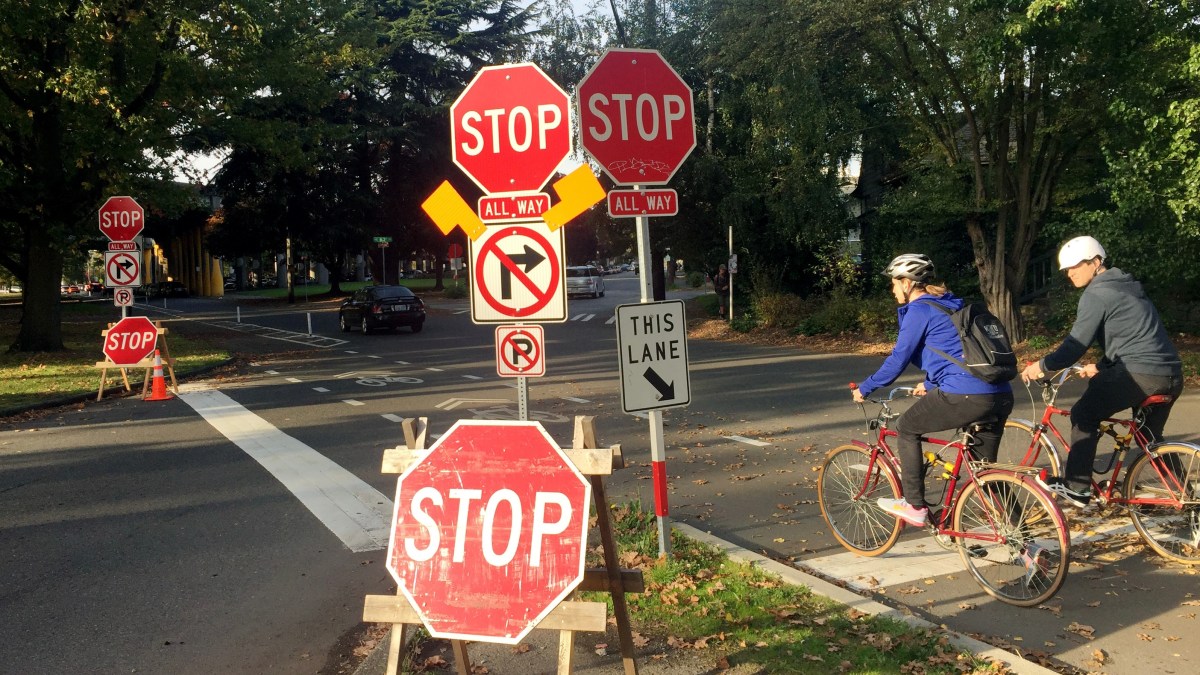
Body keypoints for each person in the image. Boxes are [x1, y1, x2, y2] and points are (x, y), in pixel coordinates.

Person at [853, 254, 1015, 526]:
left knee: (906, 427)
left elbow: (897, 360)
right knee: (985, 474)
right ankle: (1027, 547)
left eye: (893, 284)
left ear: (906, 283)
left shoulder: (919, 311)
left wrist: (865, 388)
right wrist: (929, 384)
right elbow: (957, 351)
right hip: (999, 393)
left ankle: (914, 505)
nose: (892, 290)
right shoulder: (950, 304)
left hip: (967, 394)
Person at [1022, 236, 1183, 507]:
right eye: (1067, 269)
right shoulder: (1129, 287)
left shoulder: (1096, 293)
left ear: (1096, 262)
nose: (1070, 272)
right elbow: (1134, 337)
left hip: (1139, 375)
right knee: (1150, 437)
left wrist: (1042, 366)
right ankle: (1183, 494)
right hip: (1170, 374)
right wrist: (1101, 366)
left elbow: (1074, 346)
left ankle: (1077, 487)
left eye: (1077, 265)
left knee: (1084, 413)